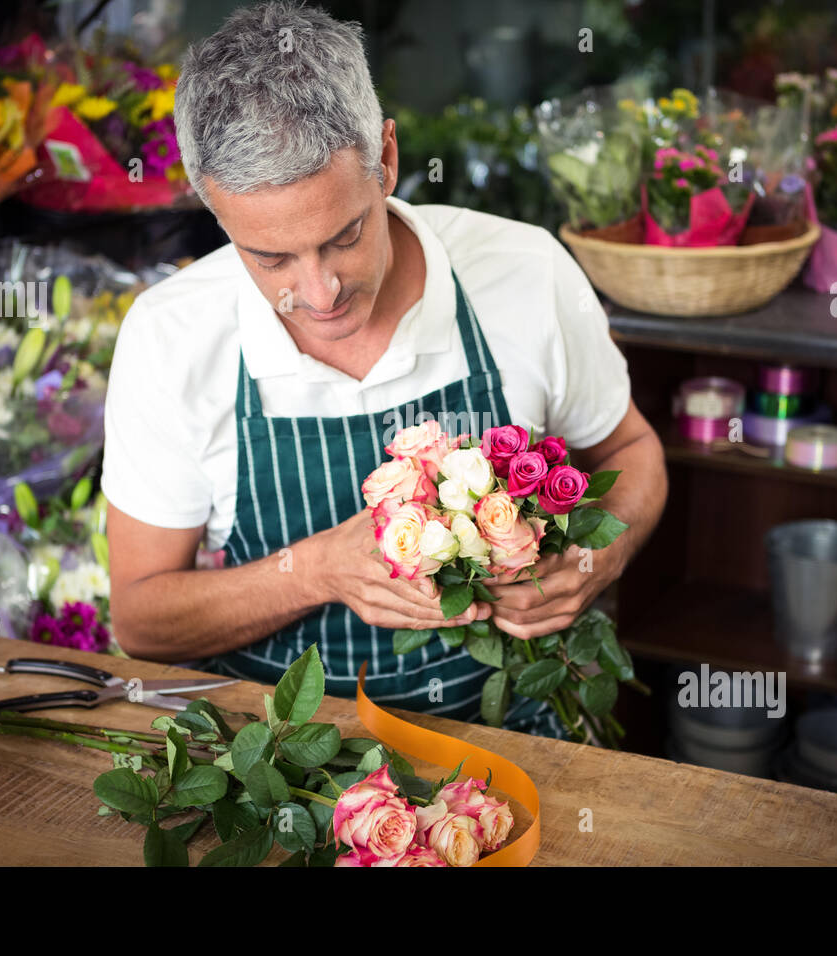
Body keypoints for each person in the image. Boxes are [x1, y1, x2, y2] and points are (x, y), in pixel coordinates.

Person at [101, 0, 668, 738]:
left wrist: (599, 556)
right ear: (213, 208)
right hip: (286, 777)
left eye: (344, 237)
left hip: (521, 742)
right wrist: (313, 571)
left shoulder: (526, 274)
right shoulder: (170, 335)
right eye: (270, 257)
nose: (319, 292)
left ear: (387, 159)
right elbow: (142, 621)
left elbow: (633, 452)